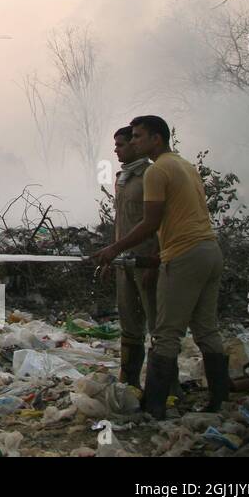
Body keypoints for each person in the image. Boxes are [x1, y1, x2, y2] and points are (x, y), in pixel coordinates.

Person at [92, 115, 228, 419]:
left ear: (156, 139)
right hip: (209, 251)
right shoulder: (186, 166)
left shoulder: (156, 172)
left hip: (183, 254)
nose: (134, 141)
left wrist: (114, 249)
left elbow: (151, 223)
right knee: (206, 329)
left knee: (165, 332)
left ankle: (154, 406)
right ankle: (220, 400)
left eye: (138, 137)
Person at [104, 126, 159, 388]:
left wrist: (155, 261)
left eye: (122, 144)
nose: (116, 149)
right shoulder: (122, 178)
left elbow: (160, 223)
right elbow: (121, 222)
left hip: (147, 260)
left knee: (158, 328)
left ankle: (164, 388)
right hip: (124, 261)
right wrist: (112, 255)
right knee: (129, 325)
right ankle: (130, 383)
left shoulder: (151, 176)